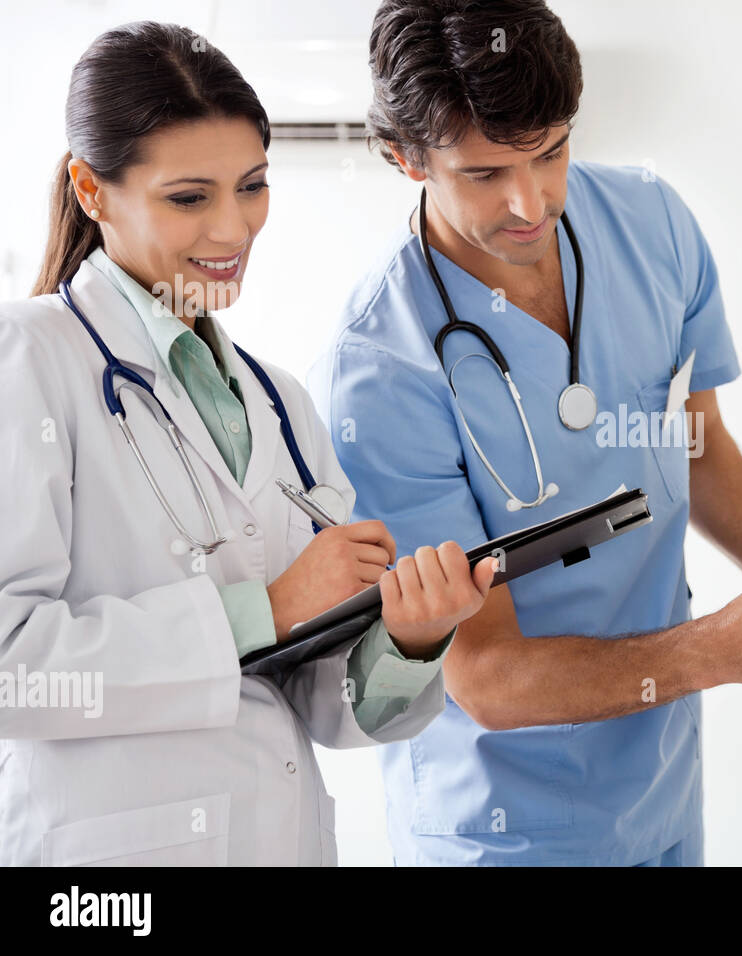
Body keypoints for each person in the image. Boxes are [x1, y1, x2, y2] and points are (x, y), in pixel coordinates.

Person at [309, 0, 742, 866]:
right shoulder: (379, 368)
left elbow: (694, 445)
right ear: (405, 158)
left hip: (659, 792)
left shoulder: (653, 226)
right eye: (484, 173)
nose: (530, 201)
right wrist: (729, 647)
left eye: (551, 152)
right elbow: (488, 675)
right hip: (502, 826)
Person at [0, 21, 494, 866]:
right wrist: (268, 606)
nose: (233, 230)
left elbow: (313, 697)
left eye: (253, 186)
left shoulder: (279, 400)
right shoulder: (30, 356)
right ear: (91, 189)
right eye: (189, 197)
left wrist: (409, 639)